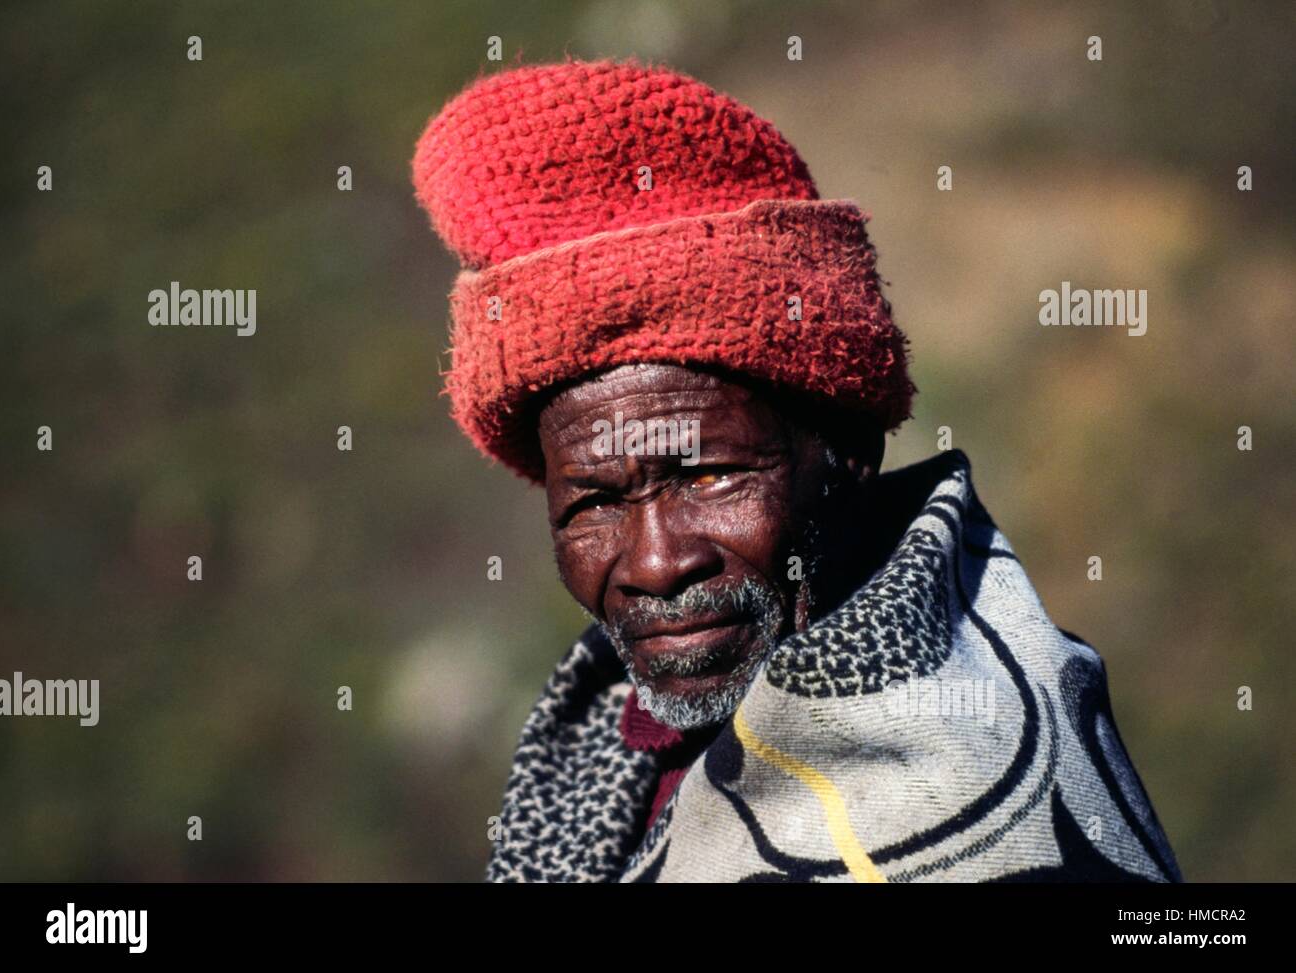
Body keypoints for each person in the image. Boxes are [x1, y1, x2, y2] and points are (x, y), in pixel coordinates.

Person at [411, 58, 1182, 883]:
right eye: (595, 502)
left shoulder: (955, 812)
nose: (657, 562)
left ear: (846, 455)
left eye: (707, 477)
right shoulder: (611, 732)